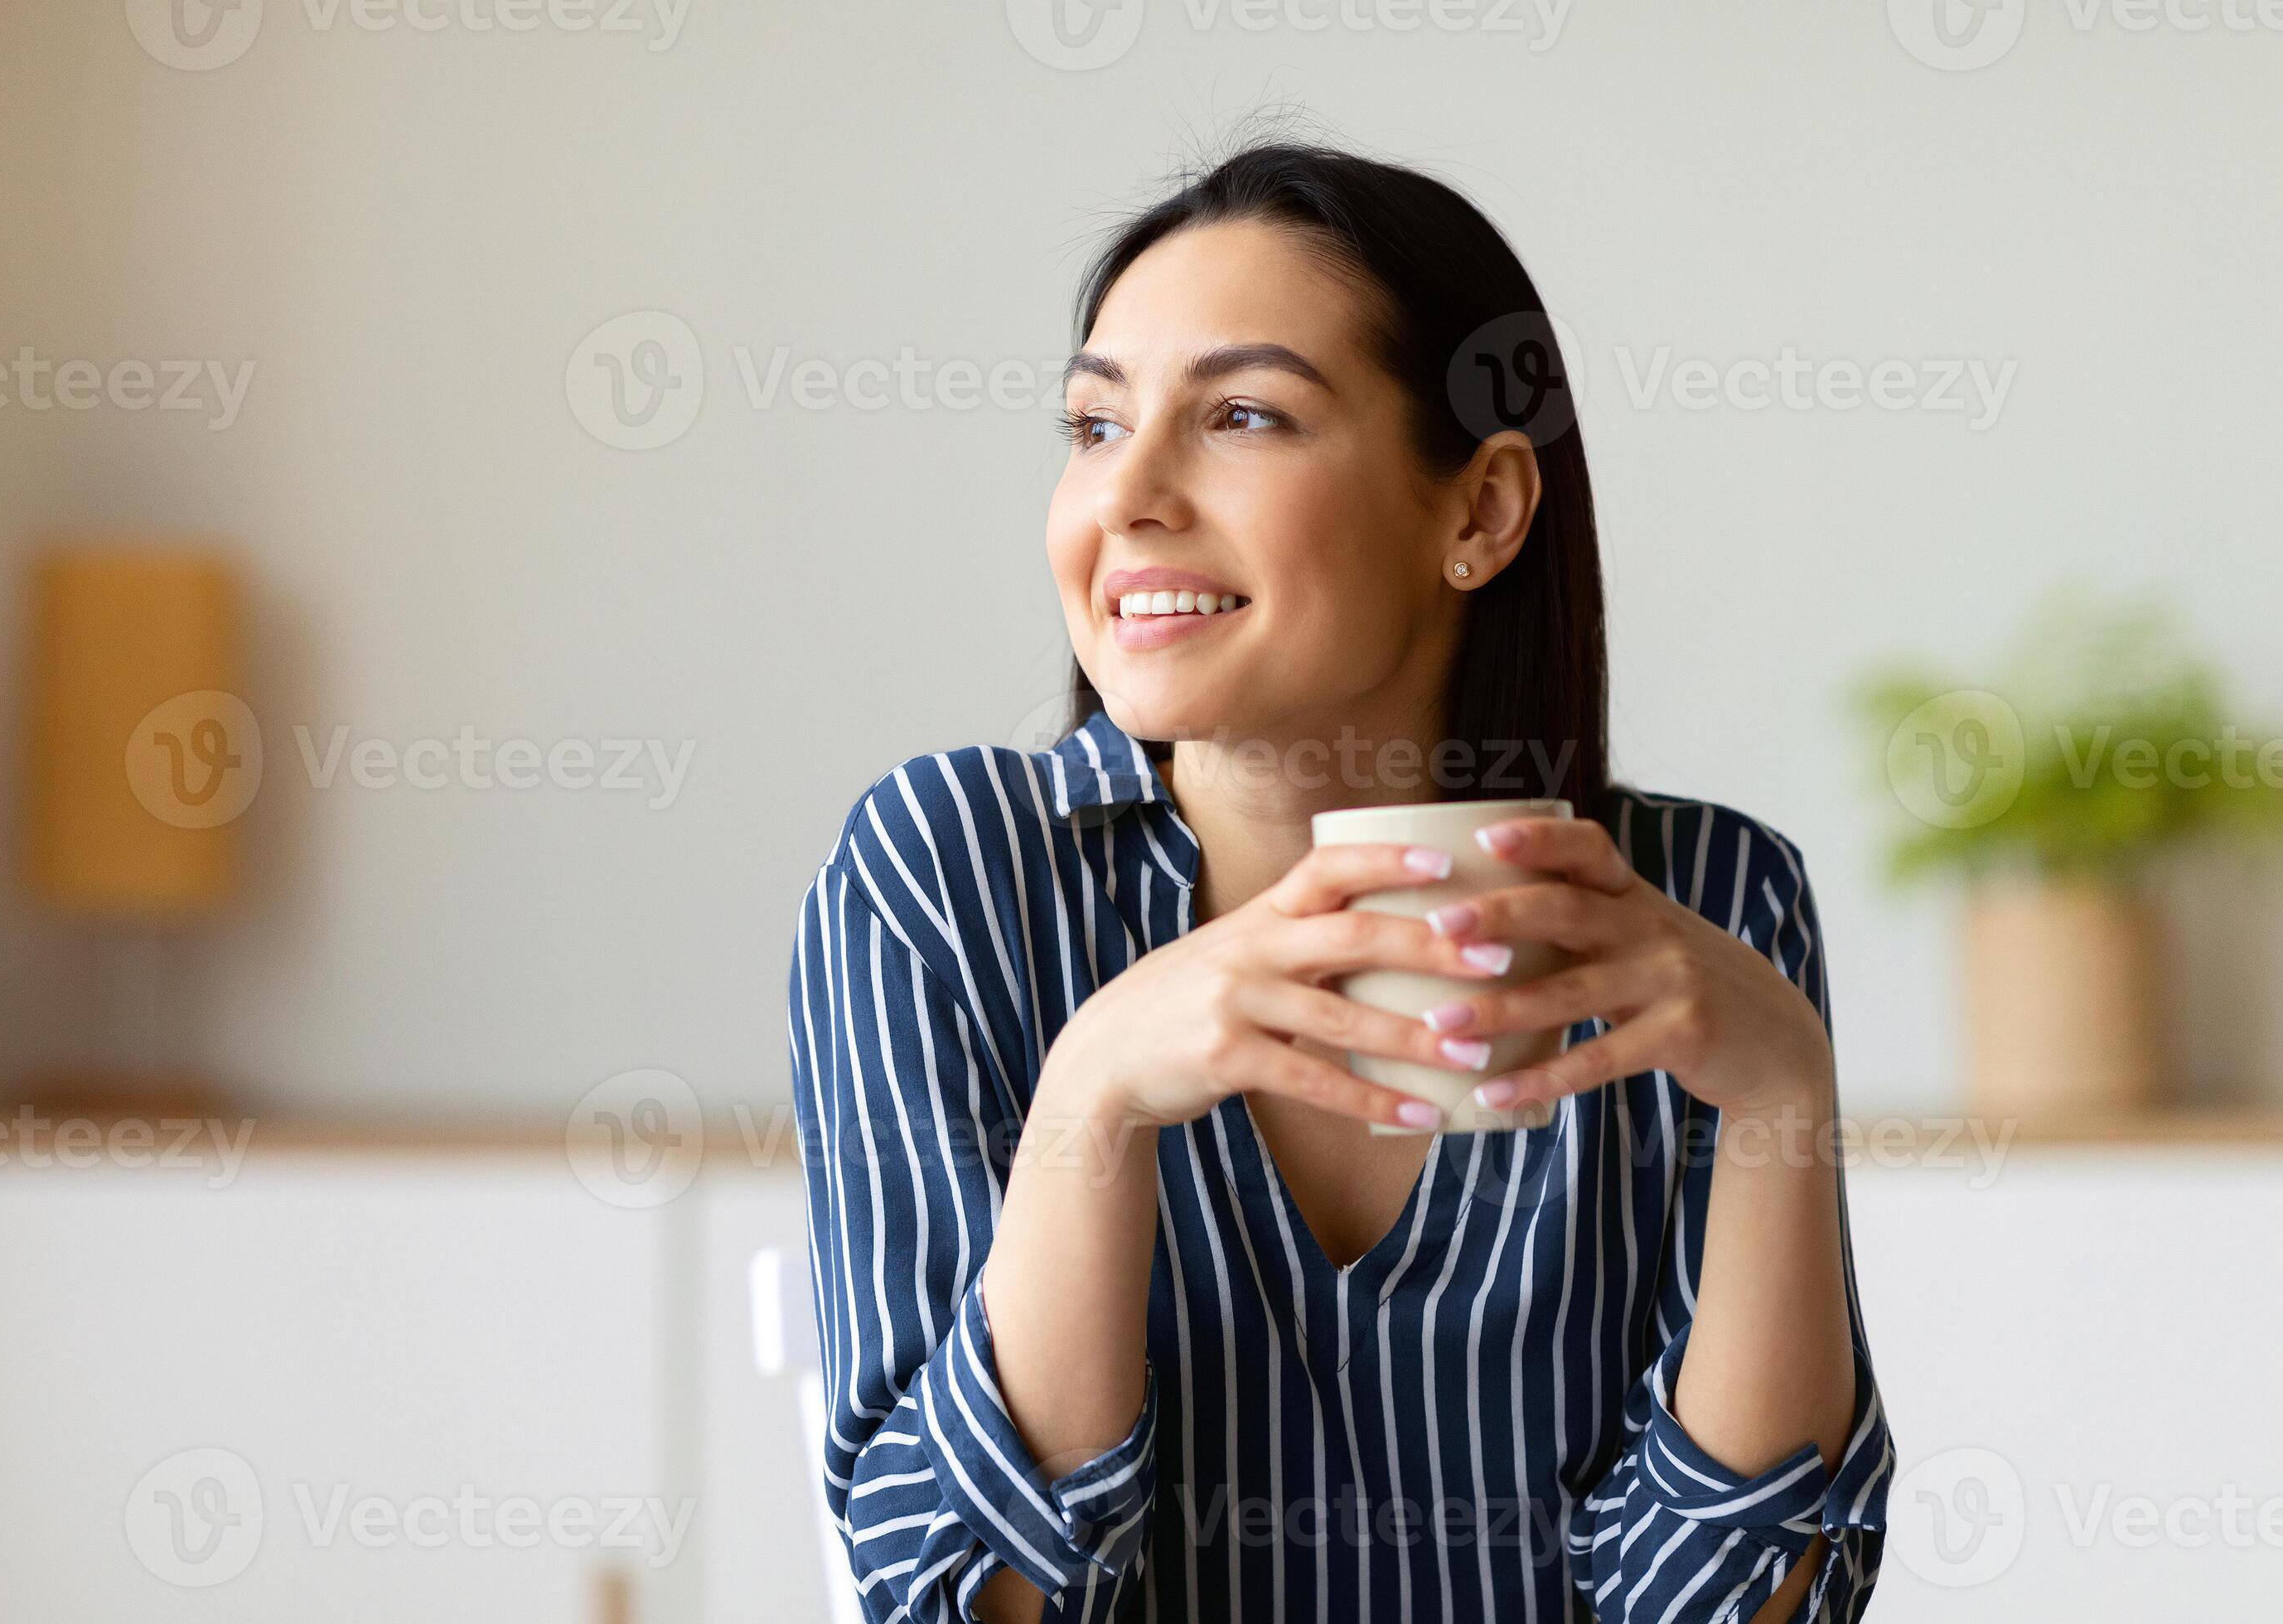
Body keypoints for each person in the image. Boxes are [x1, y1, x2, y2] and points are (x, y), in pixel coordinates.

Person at [785, 141, 1892, 1622]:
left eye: (1241, 414)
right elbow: (953, 1599)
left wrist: (1781, 1101)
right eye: (1095, 424)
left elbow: (1738, 1609)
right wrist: (1094, 1093)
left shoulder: (1706, 904)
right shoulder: (947, 874)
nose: (1130, 497)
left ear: (1482, 513)